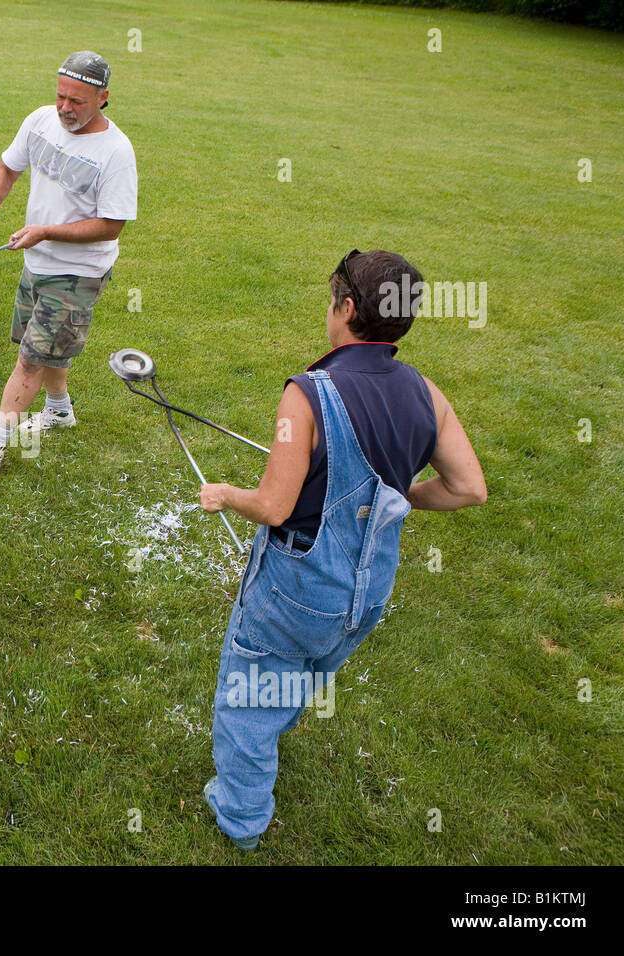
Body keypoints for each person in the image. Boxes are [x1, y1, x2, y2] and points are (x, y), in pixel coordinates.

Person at [196, 249, 487, 850]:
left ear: (347, 308)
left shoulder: (307, 395)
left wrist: (226, 494)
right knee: (302, 674)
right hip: (368, 591)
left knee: (248, 699)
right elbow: (468, 488)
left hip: (299, 587)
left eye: (332, 300)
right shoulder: (427, 394)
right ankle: (273, 736)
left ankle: (240, 818)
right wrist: (392, 494)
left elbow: (275, 506)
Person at [0, 51, 137, 483]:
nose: (65, 108)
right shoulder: (41, 121)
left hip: (78, 272)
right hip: (37, 259)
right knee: (45, 346)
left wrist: (46, 231)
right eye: (61, 96)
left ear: (103, 98)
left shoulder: (116, 152)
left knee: (29, 360)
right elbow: (7, 166)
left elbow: (111, 226)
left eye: (77, 101)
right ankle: (59, 411)